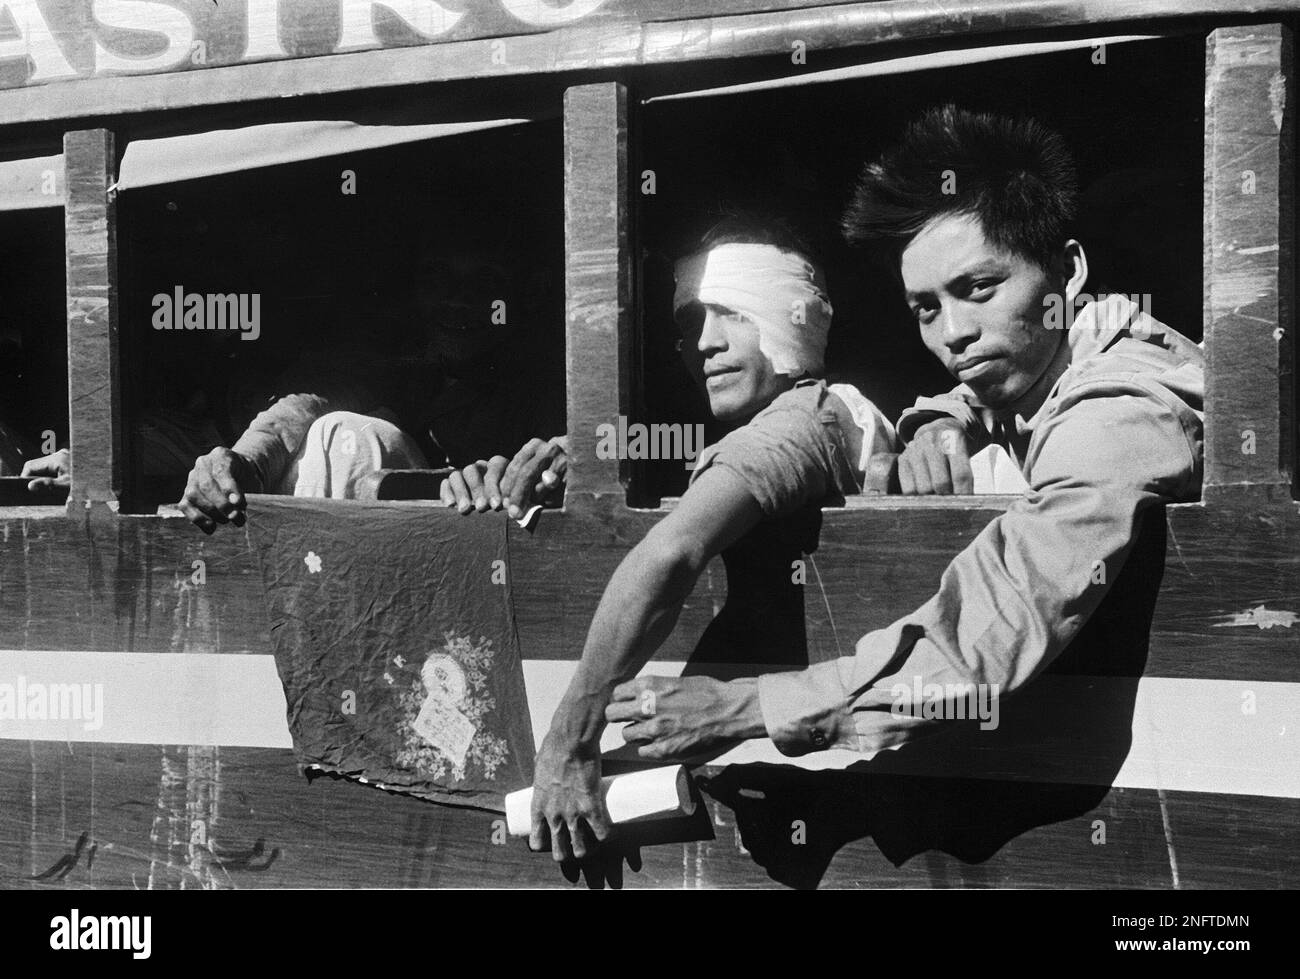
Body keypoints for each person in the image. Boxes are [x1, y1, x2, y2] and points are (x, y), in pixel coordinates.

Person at [528, 105, 1203, 859]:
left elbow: (985, 638)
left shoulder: (1118, 416)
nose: (952, 334)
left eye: (979, 287)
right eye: (925, 307)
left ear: (1068, 271)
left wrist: (744, 707)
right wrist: (939, 424)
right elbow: (972, 394)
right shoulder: (1036, 359)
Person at [507, 215, 898, 861]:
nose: (704, 345)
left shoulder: (799, 421)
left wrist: (570, 738)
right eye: (688, 323)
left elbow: (673, 548)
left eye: (732, 314)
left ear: (792, 313)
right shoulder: (807, 416)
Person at [178, 235, 563, 531]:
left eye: (486, 280)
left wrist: (549, 464)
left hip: (492, 560)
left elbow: (577, 450)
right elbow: (303, 407)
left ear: (529, 291)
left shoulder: (549, 372)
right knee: (339, 431)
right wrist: (241, 463)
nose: (458, 299)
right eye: (438, 276)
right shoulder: (398, 353)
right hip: (385, 555)